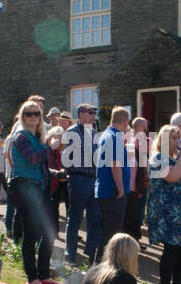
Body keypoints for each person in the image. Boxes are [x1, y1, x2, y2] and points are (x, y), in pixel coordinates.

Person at [7, 99, 55, 284]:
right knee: (31, 235)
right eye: (29, 114)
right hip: (25, 189)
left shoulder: (35, 136)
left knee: (50, 232)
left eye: (36, 113)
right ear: (23, 116)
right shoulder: (21, 136)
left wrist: (54, 173)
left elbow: (38, 164)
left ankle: (44, 274)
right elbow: (33, 158)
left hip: (38, 188)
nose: (34, 117)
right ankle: (33, 277)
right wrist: (50, 147)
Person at [146, 124, 181, 284]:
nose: (178, 142)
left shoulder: (174, 158)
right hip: (167, 212)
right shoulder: (158, 158)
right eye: (174, 138)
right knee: (171, 250)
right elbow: (173, 177)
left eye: (178, 138)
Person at [62, 102, 100, 264]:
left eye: (94, 112)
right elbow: (65, 159)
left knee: (95, 219)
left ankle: (92, 253)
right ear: (81, 115)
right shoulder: (72, 133)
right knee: (75, 218)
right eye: (90, 112)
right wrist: (73, 171)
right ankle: (70, 254)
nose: (93, 115)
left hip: (93, 180)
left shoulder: (94, 132)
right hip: (79, 179)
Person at [94, 106, 133, 263]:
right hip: (113, 192)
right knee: (111, 233)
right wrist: (121, 188)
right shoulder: (115, 137)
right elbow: (115, 164)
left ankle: (100, 267)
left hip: (105, 190)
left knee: (108, 231)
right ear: (125, 121)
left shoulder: (107, 134)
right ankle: (100, 267)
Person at [121, 116, 149, 240]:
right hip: (134, 184)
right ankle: (132, 240)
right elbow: (142, 164)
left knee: (133, 214)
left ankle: (133, 239)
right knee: (134, 214)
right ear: (143, 127)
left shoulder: (130, 140)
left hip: (131, 183)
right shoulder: (138, 141)